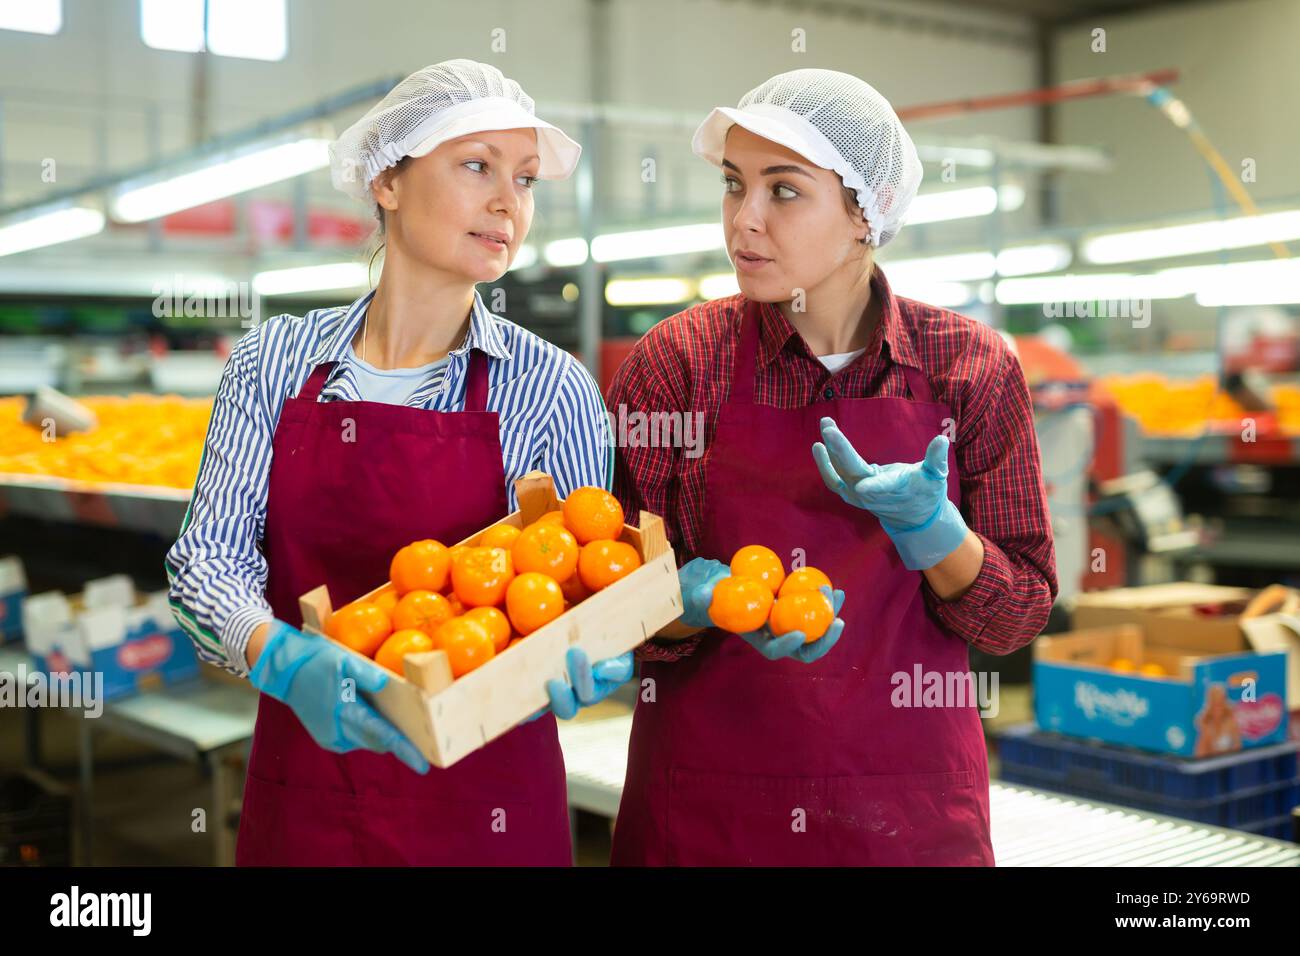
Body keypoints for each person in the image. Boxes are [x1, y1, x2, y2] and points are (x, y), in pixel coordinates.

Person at [165, 60, 631, 866]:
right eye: (476, 165)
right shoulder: (272, 362)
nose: (507, 204)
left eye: (524, 180)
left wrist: (595, 646)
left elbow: (580, 581)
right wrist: (273, 653)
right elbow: (204, 562)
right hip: (305, 780)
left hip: (484, 801)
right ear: (386, 180)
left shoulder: (553, 387)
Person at [606, 68, 1058, 865]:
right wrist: (691, 602)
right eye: (733, 185)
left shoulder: (970, 368)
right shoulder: (679, 364)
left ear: (865, 213)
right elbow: (613, 618)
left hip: (906, 813)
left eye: (784, 191)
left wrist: (938, 536)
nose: (743, 221)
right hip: (710, 810)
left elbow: (1017, 616)